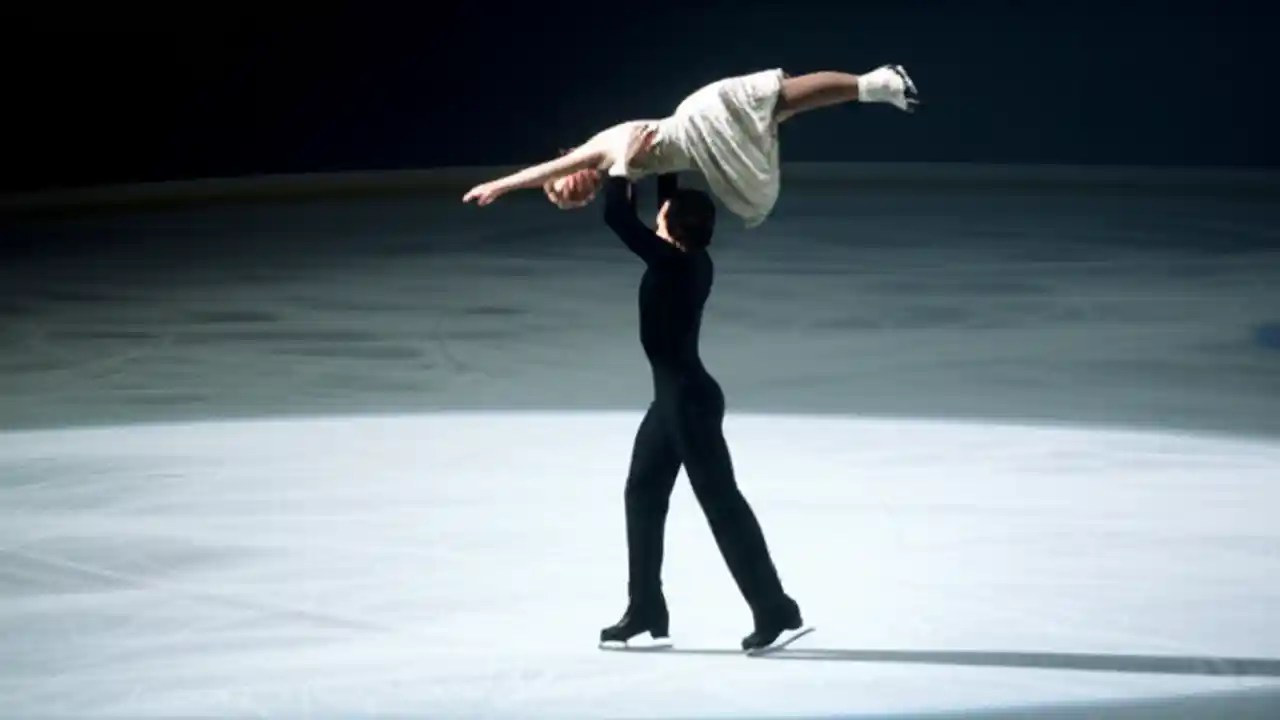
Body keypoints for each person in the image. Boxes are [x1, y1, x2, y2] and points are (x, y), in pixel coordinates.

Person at [594, 126, 806, 653]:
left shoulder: (669, 262)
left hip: (686, 402)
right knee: (642, 494)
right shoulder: (692, 257)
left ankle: (775, 608)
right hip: (673, 401)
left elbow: (617, 217)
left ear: (669, 228)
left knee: (721, 504)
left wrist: (621, 164)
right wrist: (665, 154)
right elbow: (669, 203)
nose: (657, 216)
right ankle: (645, 606)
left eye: (662, 215)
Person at [462, 65, 919, 228]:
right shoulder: (611, 162)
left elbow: (543, 173)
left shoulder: (603, 151)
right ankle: (875, 84)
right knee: (782, 103)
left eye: (565, 191)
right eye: (573, 200)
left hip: (701, 127)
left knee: (782, 100)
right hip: (701, 130)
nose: (576, 196)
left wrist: (499, 186)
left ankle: (874, 83)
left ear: (566, 170)